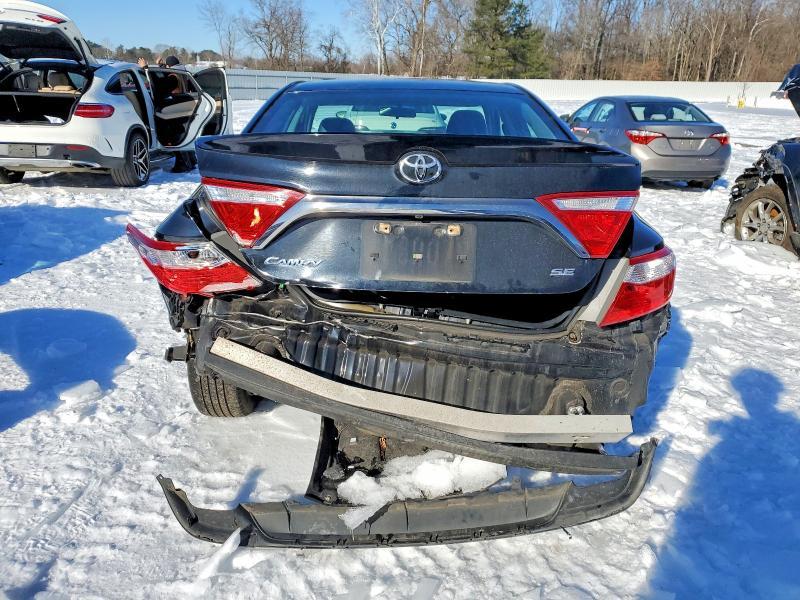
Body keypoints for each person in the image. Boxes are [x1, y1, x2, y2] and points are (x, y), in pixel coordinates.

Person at [135, 55, 197, 173]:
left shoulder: (173, 77)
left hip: (173, 109)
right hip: (182, 109)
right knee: (183, 135)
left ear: (170, 67)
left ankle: (183, 164)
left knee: (174, 137)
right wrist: (161, 66)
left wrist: (146, 68)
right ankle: (191, 161)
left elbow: (159, 85)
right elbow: (165, 76)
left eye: (166, 67)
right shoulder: (182, 73)